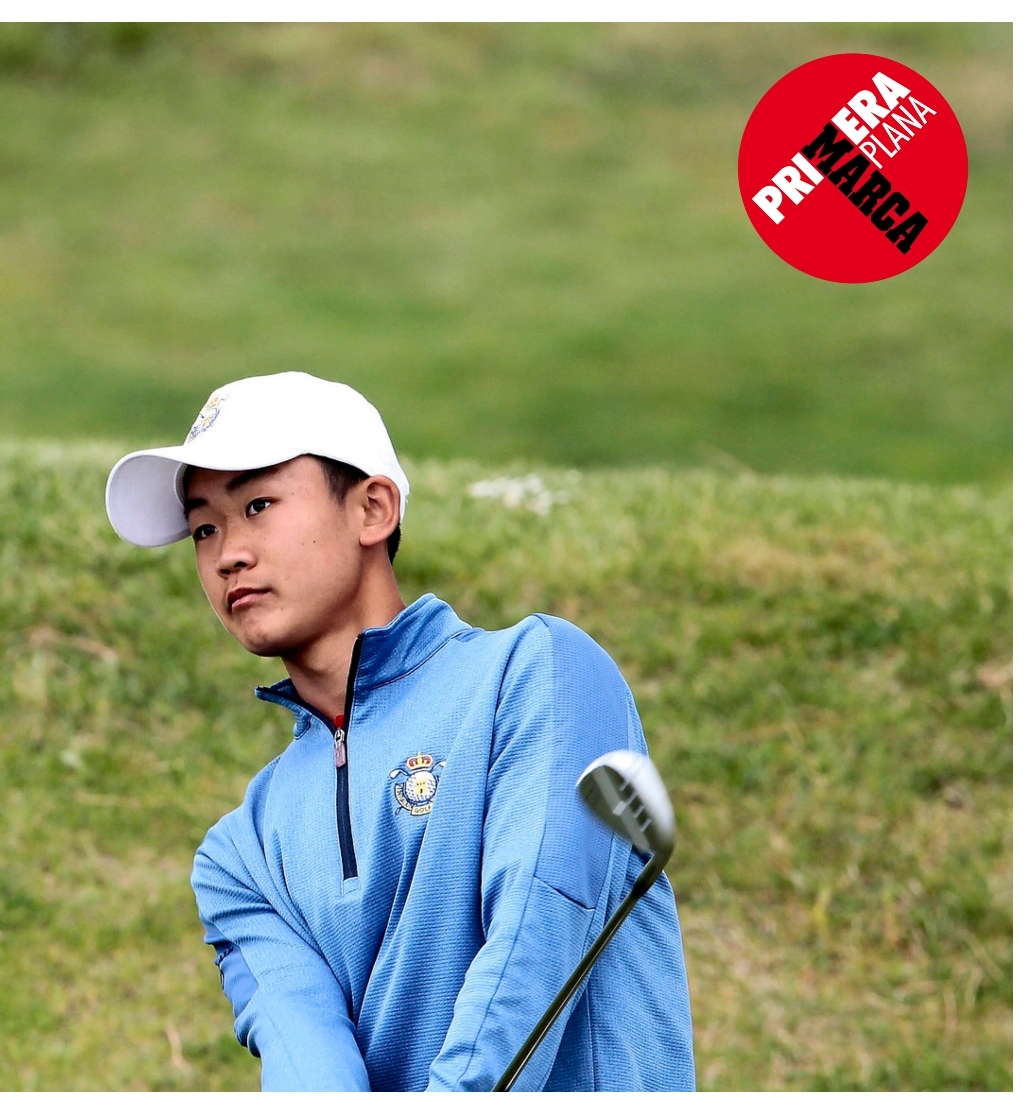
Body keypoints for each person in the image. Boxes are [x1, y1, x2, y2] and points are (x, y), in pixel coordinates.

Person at [103, 371, 695, 1091]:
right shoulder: (241, 854)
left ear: (373, 509)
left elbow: (535, 946)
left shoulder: (540, 673)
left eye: (258, 505)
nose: (228, 552)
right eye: (205, 528)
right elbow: (311, 1075)